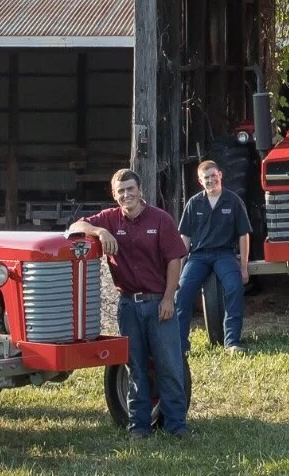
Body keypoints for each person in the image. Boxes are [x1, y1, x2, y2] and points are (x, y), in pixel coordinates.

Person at [69, 169, 189, 437]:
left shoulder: (160, 220)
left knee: (168, 366)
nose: (126, 195)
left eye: (130, 189)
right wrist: (99, 231)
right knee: (135, 367)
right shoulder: (110, 219)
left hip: (159, 303)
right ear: (114, 195)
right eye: (120, 191)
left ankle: (176, 426)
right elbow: (76, 227)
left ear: (140, 190)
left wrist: (169, 297)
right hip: (128, 306)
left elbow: (174, 260)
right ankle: (139, 427)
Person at [176, 160, 251, 354]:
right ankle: (180, 346)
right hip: (198, 256)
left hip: (224, 254)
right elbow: (184, 237)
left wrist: (243, 267)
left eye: (213, 176)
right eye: (205, 178)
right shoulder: (194, 203)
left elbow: (244, 235)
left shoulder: (233, 201)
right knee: (182, 294)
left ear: (220, 175)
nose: (210, 180)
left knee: (234, 288)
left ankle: (232, 342)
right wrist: (178, 268)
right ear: (200, 181)